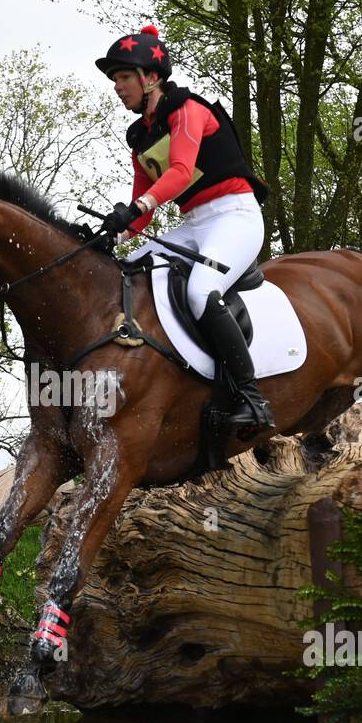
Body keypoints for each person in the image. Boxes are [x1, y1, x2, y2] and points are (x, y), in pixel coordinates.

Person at [94, 24, 273, 436]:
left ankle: (251, 397)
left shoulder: (187, 110)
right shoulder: (140, 135)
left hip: (236, 216)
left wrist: (137, 208)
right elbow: (143, 214)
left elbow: (177, 172)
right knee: (129, 272)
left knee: (199, 292)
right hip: (195, 224)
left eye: (124, 78)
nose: (117, 87)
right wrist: (113, 235)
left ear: (151, 77)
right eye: (115, 80)